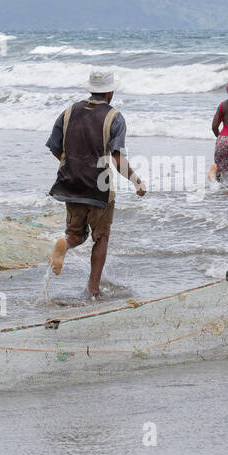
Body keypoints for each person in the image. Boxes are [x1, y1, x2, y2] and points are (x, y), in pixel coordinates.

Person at [46, 69, 147, 298]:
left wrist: (70, 165)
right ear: (110, 92)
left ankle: (65, 243)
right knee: (100, 237)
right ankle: (93, 288)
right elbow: (117, 158)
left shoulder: (68, 112)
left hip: (70, 183)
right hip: (98, 187)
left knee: (77, 235)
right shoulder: (115, 117)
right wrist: (136, 181)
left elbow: (54, 147)